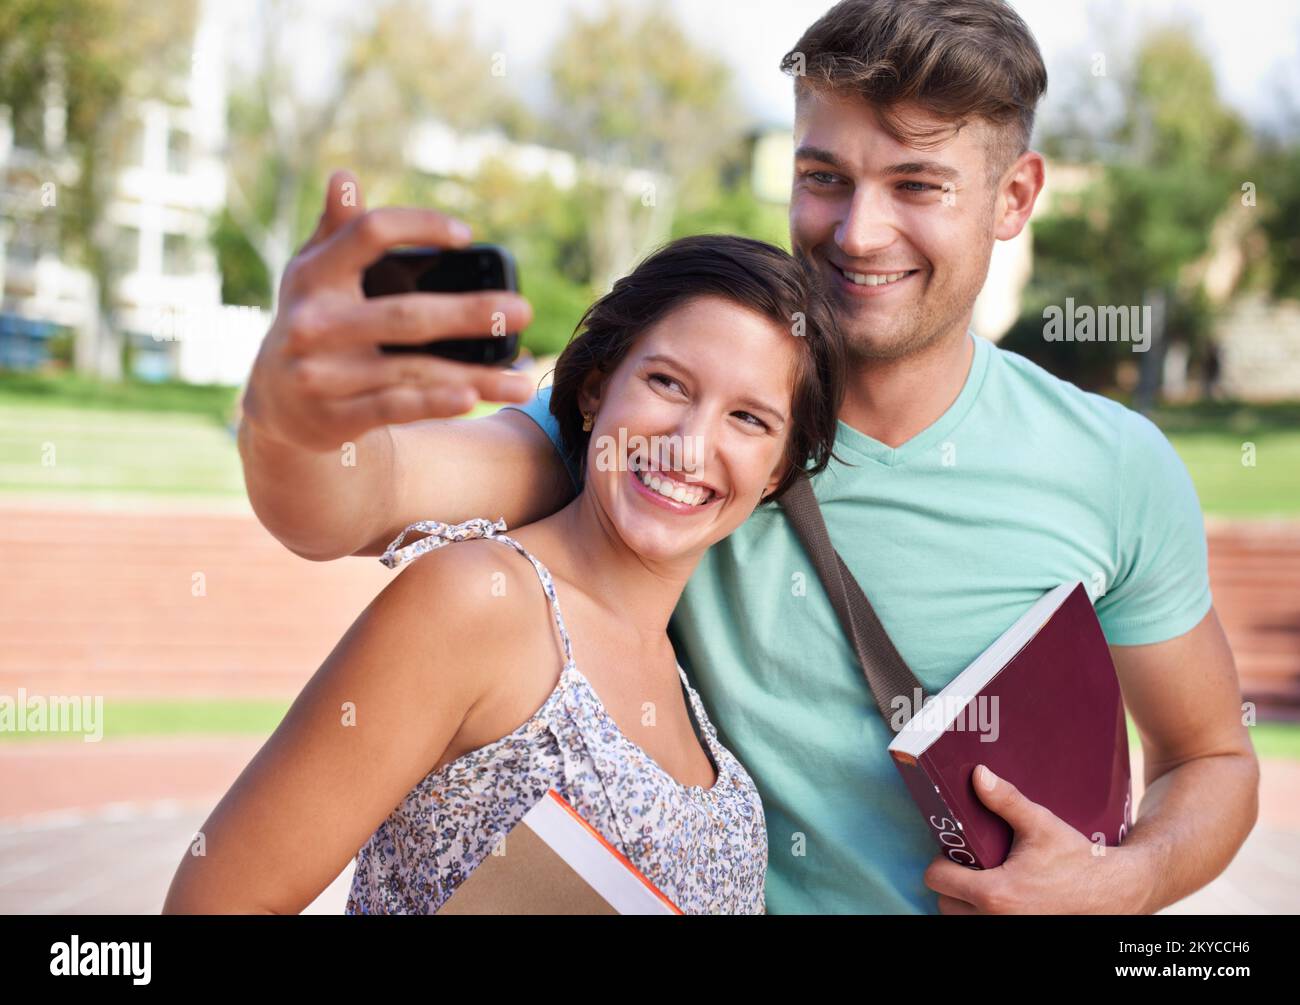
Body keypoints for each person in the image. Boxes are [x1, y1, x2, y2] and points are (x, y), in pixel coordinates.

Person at [231, 0, 1258, 914]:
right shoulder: (669, 432)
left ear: (1015, 197)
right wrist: (290, 414)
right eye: (824, 178)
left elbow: (1211, 756)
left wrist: (1122, 882)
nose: (859, 232)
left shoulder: (1115, 468)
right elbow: (352, 501)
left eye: (917, 184)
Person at [162, 235, 847, 914]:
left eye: (748, 418)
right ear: (595, 389)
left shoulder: (680, 676)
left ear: (777, 471)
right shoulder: (477, 599)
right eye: (667, 382)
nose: (690, 445)